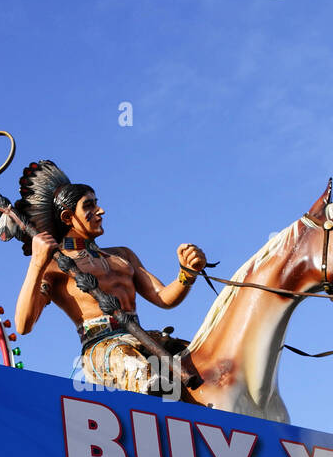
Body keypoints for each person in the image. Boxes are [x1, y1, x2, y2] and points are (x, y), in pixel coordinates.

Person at [12, 160, 208, 395]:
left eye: (97, 204)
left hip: (146, 338)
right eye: (89, 206)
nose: (100, 211)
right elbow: (23, 325)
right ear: (67, 217)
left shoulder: (122, 255)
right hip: (104, 348)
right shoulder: (53, 266)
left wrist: (186, 273)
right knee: (140, 373)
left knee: (204, 359)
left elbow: (163, 298)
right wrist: (36, 263)